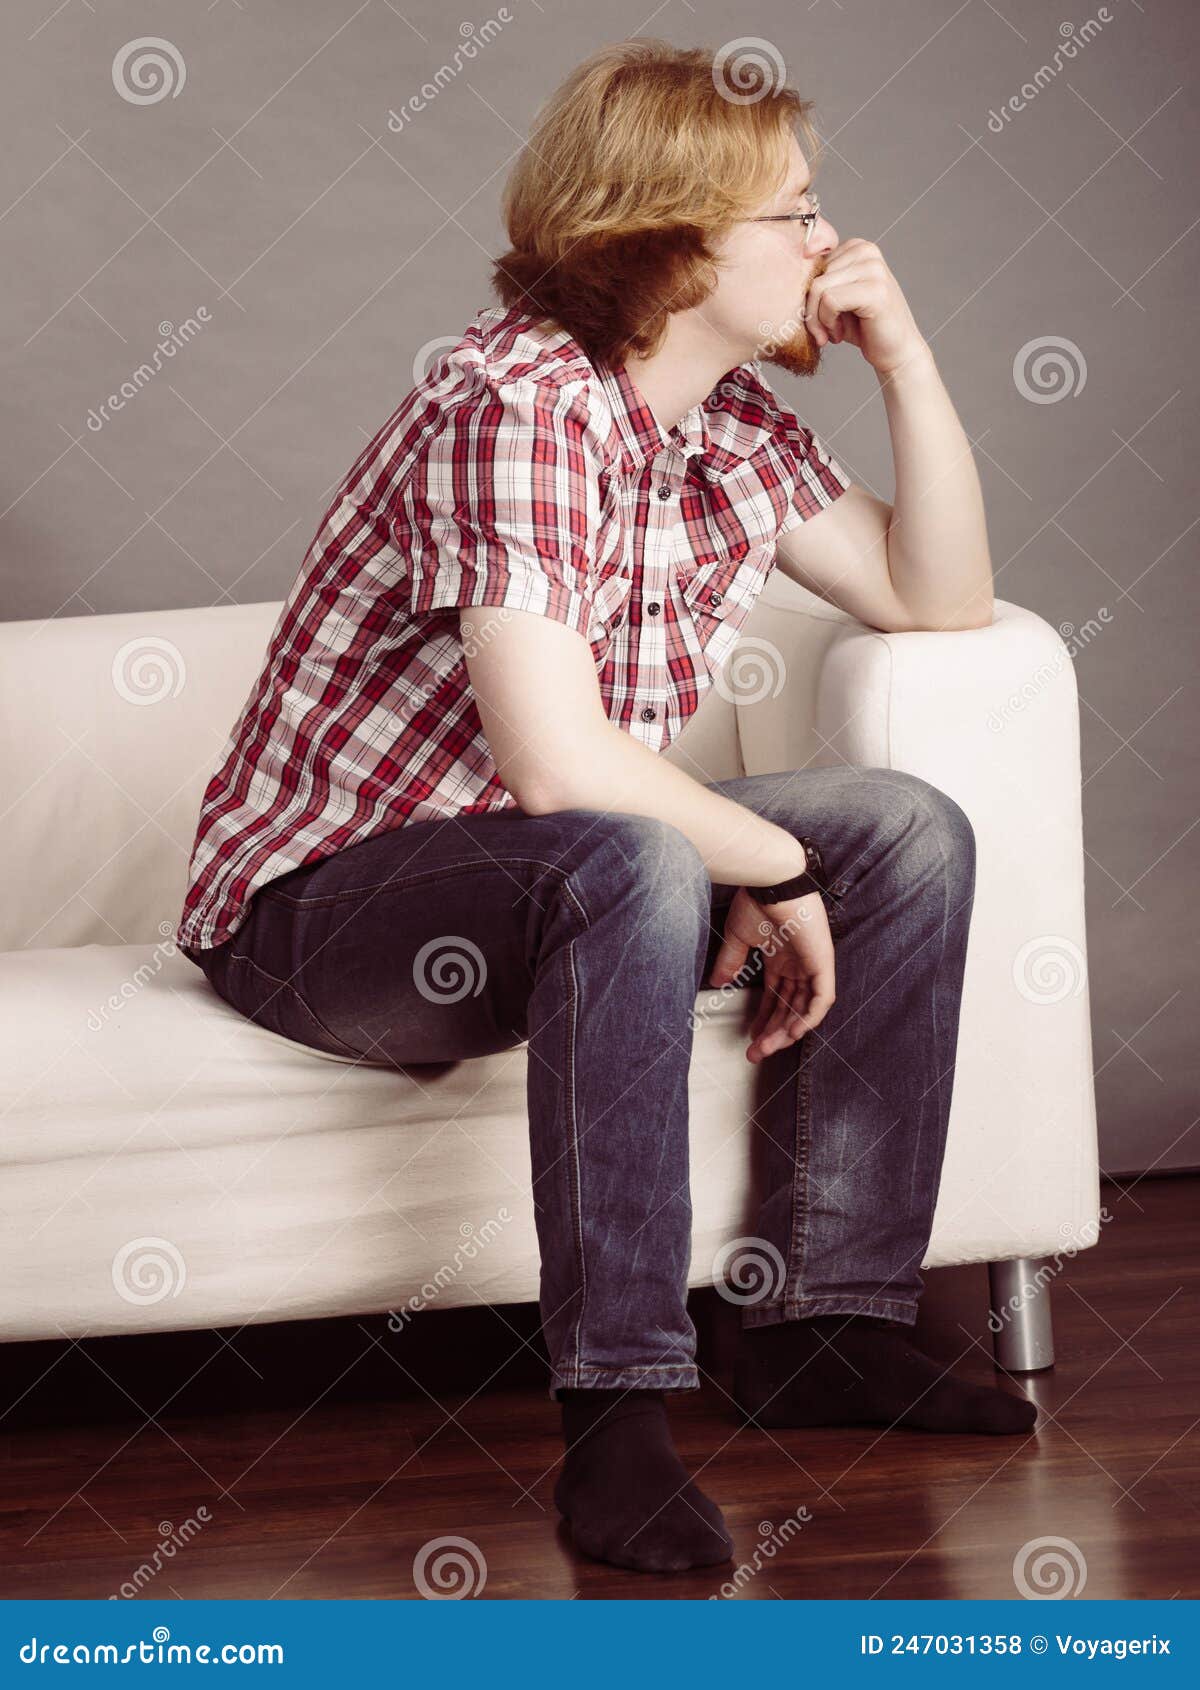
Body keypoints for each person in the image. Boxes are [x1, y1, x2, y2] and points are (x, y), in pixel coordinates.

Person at [175, 38, 1036, 1577]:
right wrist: (768, 859)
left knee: (904, 829)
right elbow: (560, 767)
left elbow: (940, 595)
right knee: (636, 851)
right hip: (327, 911)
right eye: (795, 211)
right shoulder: (509, 402)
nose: (830, 244)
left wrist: (908, 360)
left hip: (544, 871)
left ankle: (821, 1325)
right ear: (676, 235)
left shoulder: (729, 431)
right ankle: (620, 1420)